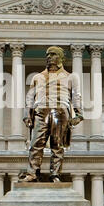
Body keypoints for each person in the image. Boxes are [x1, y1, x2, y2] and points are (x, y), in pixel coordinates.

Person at [20, 46, 83, 183]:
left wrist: (78, 113)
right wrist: (27, 115)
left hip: (60, 111)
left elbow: (76, 96)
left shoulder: (70, 77)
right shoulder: (38, 77)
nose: (49, 57)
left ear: (61, 58)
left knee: (57, 145)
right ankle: (32, 174)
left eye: (53, 54)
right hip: (41, 112)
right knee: (35, 143)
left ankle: (55, 174)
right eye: (48, 55)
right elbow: (30, 97)